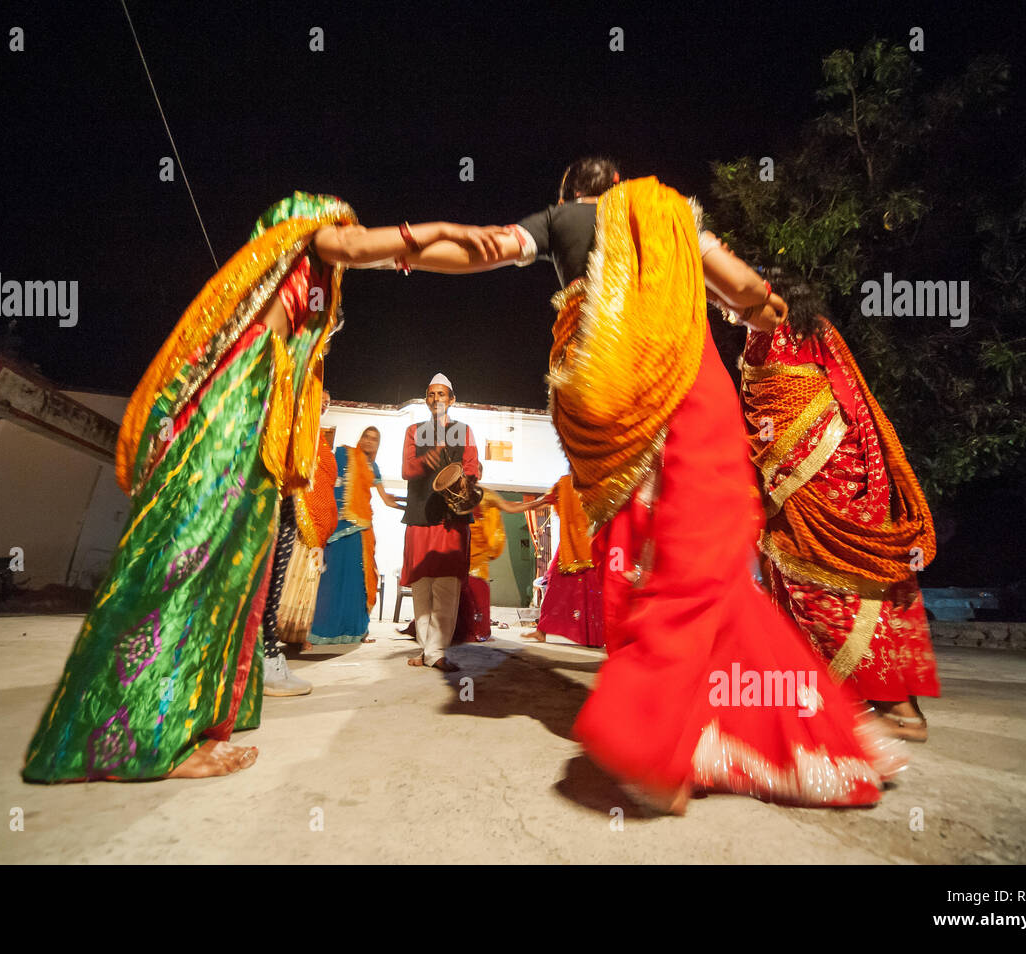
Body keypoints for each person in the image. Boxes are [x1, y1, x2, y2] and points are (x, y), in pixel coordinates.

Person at [390, 159, 905, 810]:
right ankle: (769, 732)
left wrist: (395, 251)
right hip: (699, 390)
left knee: (659, 564)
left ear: (570, 192)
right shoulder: (675, 217)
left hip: (631, 404)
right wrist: (764, 312)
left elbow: (488, 247)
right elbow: (749, 291)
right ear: (618, 185)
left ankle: (664, 734)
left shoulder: (564, 219)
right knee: (712, 570)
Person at [23, 194, 508, 781]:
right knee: (193, 558)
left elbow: (406, 258)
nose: (352, 237)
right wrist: (450, 223)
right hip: (237, 408)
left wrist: (501, 251)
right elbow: (369, 244)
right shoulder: (307, 241)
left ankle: (177, 724)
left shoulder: (316, 277)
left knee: (231, 571)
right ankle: (132, 736)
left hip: (260, 411)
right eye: (344, 225)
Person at [739, 270, 939, 740]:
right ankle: (857, 706)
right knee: (800, 584)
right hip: (785, 477)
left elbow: (748, 299)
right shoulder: (758, 339)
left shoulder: (778, 318)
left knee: (822, 582)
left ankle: (894, 708)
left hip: (821, 471)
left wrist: (689, 255)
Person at [402, 374, 481, 671]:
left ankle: (437, 651)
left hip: (452, 516)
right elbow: (408, 469)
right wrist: (427, 460)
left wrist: (466, 480)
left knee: (447, 585)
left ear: (452, 400)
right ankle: (427, 650)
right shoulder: (413, 431)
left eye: (442, 394)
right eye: (432, 394)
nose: (437, 399)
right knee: (421, 585)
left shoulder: (464, 431)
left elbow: (472, 466)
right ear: (426, 400)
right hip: (420, 512)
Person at [311, 425, 403, 644]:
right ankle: (321, 632)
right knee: (330, 581)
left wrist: (405, 504)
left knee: (357, 582)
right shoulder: (344, 453)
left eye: (374, 439)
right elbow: (326, 476)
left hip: (359, 532)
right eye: (366, 437)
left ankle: (355, 631)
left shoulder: (373, 468)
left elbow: (385, 498)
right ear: (360, 438)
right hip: (335, 528)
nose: (369, 441)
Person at [270, 390, 339, 656]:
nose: (324, 405)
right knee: (289, 571)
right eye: (320, 399)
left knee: (308, 575)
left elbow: (324, 475)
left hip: (318, 513)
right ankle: (277, 628)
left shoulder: (318, 435)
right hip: (298, 510)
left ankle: (296, 632)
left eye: (328, 403)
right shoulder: (301, 429)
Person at [521, 474, 605, 647]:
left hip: (590, 545)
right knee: (553, 587)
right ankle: (541, 631)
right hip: (570, 545)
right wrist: (520, 506)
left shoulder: (599, 482)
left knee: (591, 591)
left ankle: (594, 638)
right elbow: (547, 500)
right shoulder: (566, 483)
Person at [453, 487, 545, 642]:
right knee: (454, 591)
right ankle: (454, 629)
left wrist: (536, 504)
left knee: (477, 591)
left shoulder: (485, 494)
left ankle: (474, 630)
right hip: (458, 547)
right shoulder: (454, 493)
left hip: (478, 552)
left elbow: (510, 506)